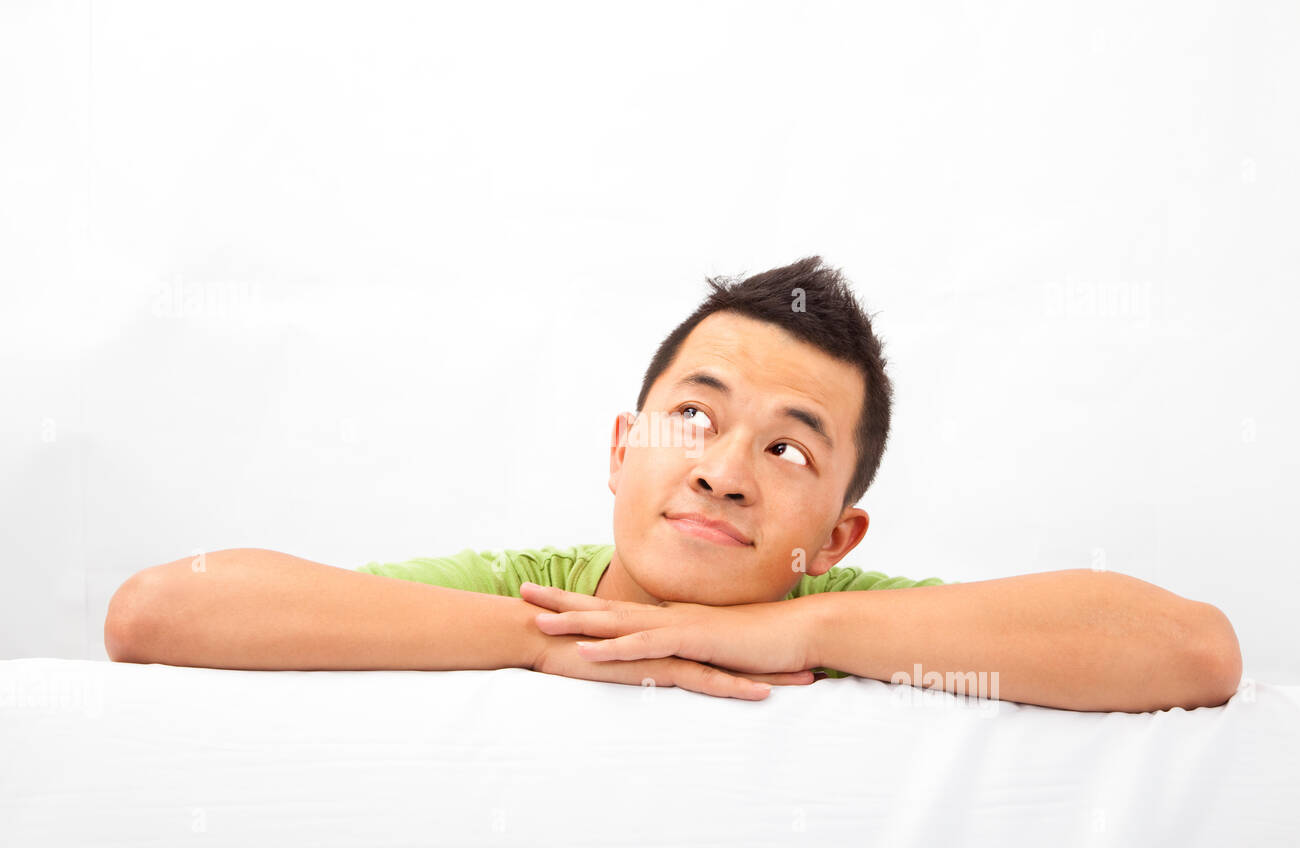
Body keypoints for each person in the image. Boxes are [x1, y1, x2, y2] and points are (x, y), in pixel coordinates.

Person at [104, 256, 1241, 712]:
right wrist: (549, 642)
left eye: (787, 448)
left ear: (837, 536)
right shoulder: (527, 589)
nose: (721, 468)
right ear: (620, 448)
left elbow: (1192, 650)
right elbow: (154, 611)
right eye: (692, 415)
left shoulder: (839, 608)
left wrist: (782, 634)